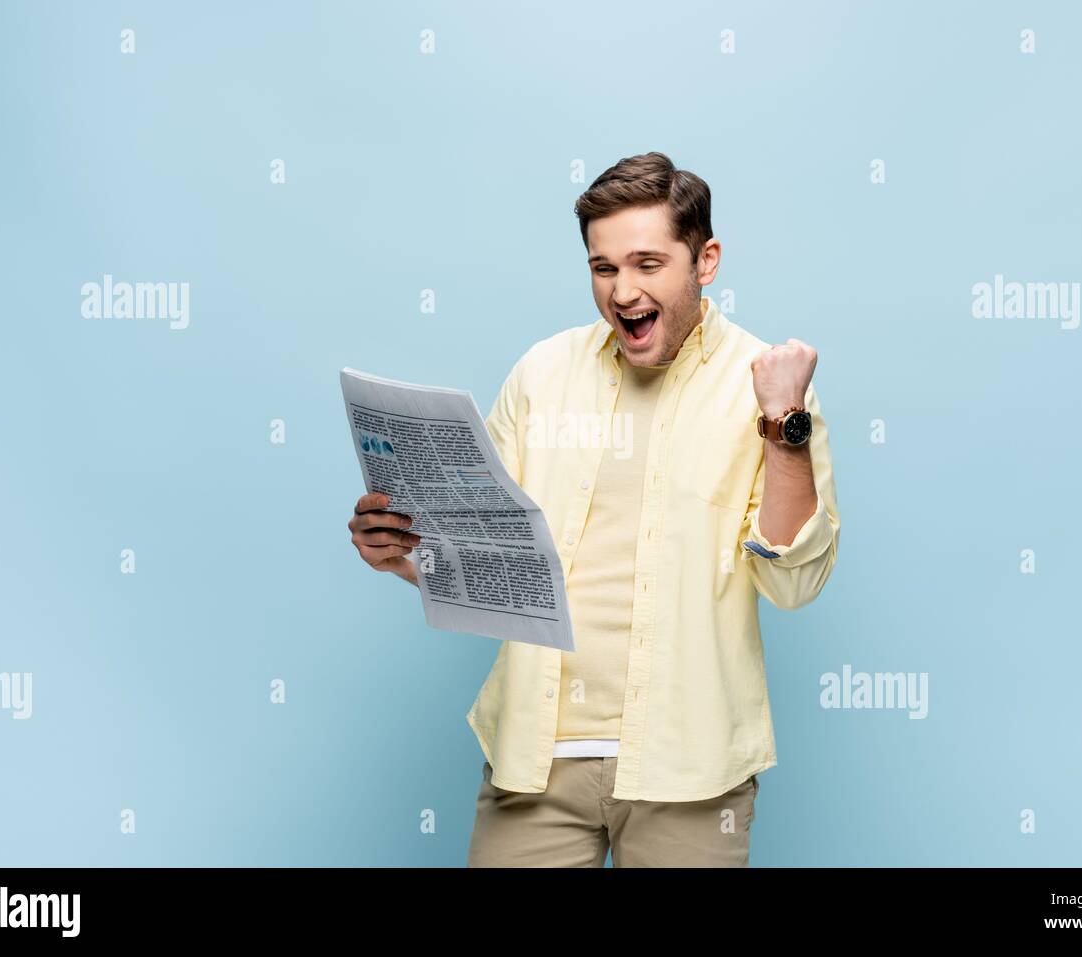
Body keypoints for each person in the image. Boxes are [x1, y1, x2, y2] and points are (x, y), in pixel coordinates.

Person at [348, 151, 841, 867]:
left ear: (705, 261)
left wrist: (782, 420)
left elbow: (795, 580)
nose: (623, 290)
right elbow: (491, 565)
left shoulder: (766, 385)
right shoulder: (544, 373)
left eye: (648, 263)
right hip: (534, 759)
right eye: (603, 267)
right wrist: (401, 551)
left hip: (690, 771)